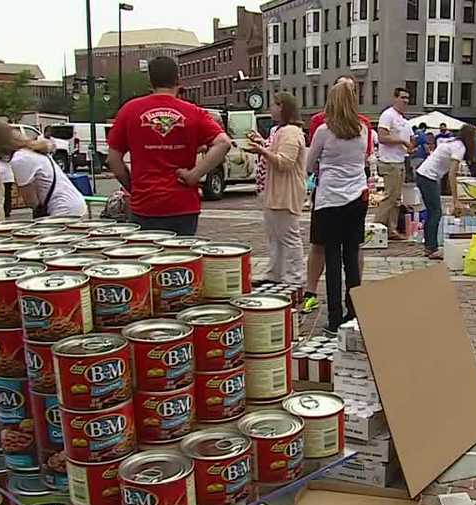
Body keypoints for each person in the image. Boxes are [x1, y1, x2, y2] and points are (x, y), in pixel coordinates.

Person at [107, 56, 232, 234]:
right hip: (182, 205)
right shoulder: (193, 112)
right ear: (178, 79)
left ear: (150, 80)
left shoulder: (129, 110)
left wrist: (133, 187)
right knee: (181, 259)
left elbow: (114, 160)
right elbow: (223, 143)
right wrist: (194, 175)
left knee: (148, 259)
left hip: (145, 205)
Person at [301, 75, 375, 315]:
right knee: (352, 255)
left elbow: (309, 165)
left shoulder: (323, 131)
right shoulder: (363, 129)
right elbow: (363, 159)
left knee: (332, 257)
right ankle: (353, 311)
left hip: (330, 199)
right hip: (357, 197)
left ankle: (334, 317)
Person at [245, 92, 307, 286]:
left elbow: (285, 162)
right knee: (275, 236)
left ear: (283, 107)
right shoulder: (280, 130)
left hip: (285, 192)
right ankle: (275, 273)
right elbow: (277, 152)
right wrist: (262, 143)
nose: (271, 108)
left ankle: (295, 277)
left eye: (274, 104)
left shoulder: (291, 132)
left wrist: (261, 150)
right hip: (275, 191)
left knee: (288, 236)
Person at [0, 120, 86, 219]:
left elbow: (32, 201)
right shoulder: (29, 151)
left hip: (63, 207)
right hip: (72, 202)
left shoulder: (19, 159)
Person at [415, 124, 476, 260]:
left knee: (432, 211)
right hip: (428, 177)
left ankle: (429, 247)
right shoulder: (460, 147)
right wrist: (456, 200)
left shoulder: (452, 142)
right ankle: (432, 248)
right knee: (435, 212)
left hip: (424, 174)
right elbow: (452, 174)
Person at [376, 87, 414, 241]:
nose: (405, 101)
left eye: (407, 98)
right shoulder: (388, 115)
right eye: (402, 97)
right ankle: (376, 227)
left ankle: (391, 229)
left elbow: (411, 139)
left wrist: (410, 146)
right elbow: (382, 137)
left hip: (400, 161)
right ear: (395, 98)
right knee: (390, 197)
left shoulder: (404, 120)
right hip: (389, 162)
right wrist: (402, 141)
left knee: (396, 199)